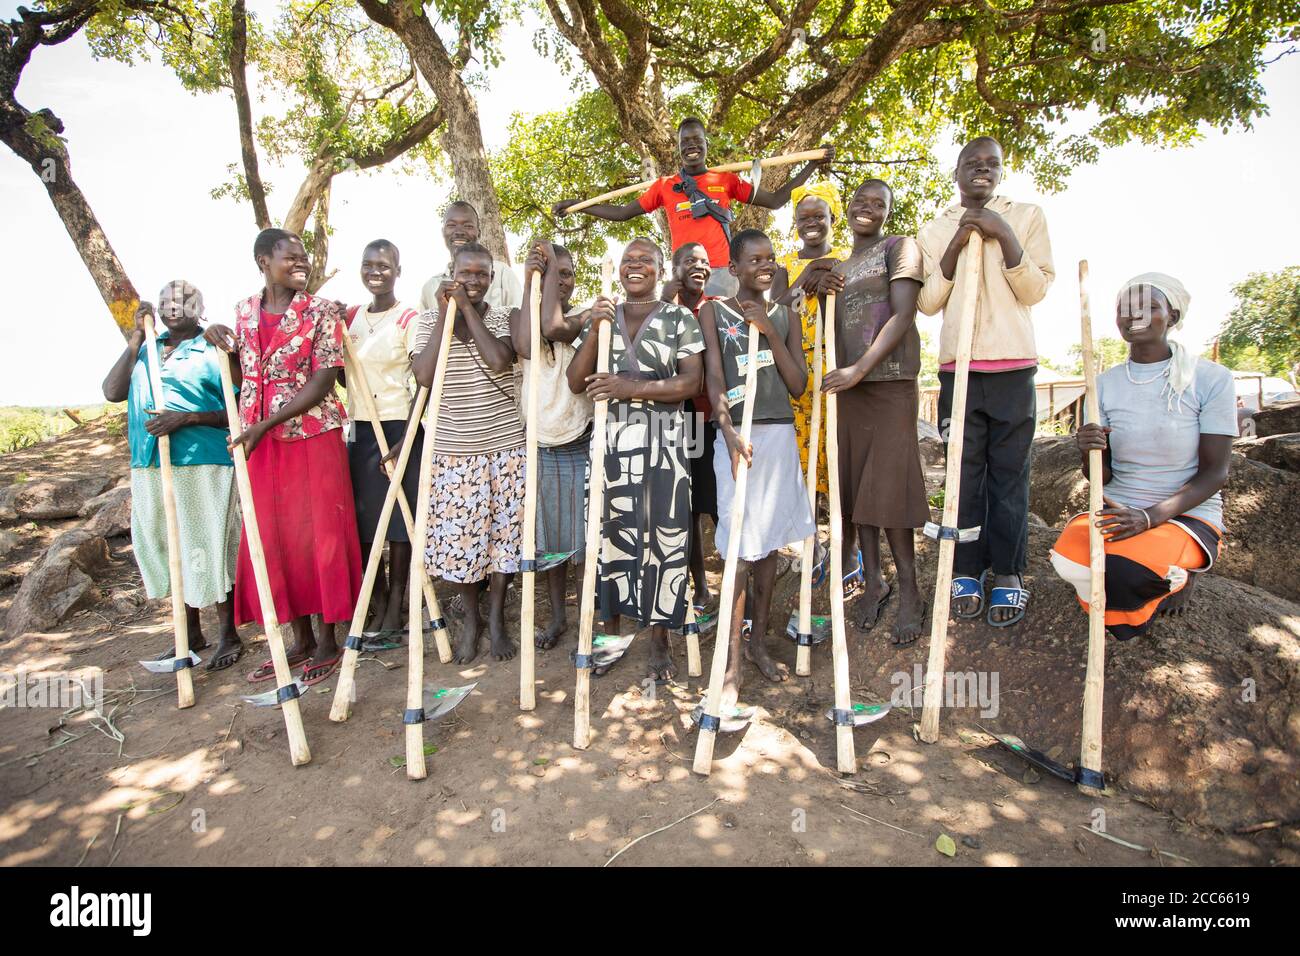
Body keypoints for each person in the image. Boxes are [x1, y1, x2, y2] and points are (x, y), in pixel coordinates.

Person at [204, 228, 363, 685]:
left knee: (320, 536)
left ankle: (329, 641)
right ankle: (300, 640)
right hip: (259, 441)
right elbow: (246, 374)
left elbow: (323, 381)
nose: (301, 263)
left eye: (304, 257)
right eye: (290, 257)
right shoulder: (242, 312)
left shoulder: (322, 312)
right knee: (274, 538)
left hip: (310, 437)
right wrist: (224, 344)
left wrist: (266, 424)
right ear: (262, 261)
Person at [917, 136, 1055, 627]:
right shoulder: (935, 228)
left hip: (1013, 366)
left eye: (991, 164)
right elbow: (928, 301)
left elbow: (1035, 288)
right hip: (960, 368)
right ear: (956, 174)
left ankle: (1010, 573)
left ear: (1001, 172)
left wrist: (1002, 234)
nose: (982, 170)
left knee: (1010, 473)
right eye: (972, 164)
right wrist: (958, 241)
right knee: (963, 473)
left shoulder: (1027, 215)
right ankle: (967, 568)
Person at [1051, 274, 1234, 639]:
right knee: (1066, 559)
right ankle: (1160, 576)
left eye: (1148, 306)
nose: (1133, 315)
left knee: (1119, 576)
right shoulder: (1101, 384)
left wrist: (1149, 517)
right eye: (1125, 308)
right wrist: (1087, 450)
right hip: (1120, 512)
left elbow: (1215, 474)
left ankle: (1180, 576)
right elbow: (1100, 478)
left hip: (1183, 516)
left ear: (1173, 315)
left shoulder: (1211, 379)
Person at [566, 237, 705, 681]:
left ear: (661, 270)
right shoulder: (603, 317)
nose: (635, 266)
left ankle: (660, 640)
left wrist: (634, 388)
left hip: (665, 445)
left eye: (646, 259)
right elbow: (574, 381)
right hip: (610, 445)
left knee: (665, 540)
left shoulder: (680, 318)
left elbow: (691, 383)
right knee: (610, 536)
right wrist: (594, 326)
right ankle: (610, 637)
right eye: (628, 260)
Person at [102, 282, 242, 670]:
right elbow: (112, 392)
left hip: (200, 461)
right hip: (149, 462)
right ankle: (190, 633)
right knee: (173, 547)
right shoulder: (147, 348)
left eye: (181, 301)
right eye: (164, 302)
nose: (171, 307)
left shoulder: (212, 349)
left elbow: (238, 408)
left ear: (200, 306)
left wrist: (187, 418)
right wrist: (134, 341)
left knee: (210, 543)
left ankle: (229, 634)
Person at [700, 229, 815, 701]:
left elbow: (798, 384)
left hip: (778, 433)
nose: (764, 266)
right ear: (734, 268)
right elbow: (713, 377)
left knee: (767, 548)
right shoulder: (714, 310)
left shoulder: (784, 315)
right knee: (739, 550)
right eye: (753, 259)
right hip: (737, 437)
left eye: (770, 259)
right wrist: (727, 433)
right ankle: (729, 660)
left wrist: (769, 330)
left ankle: (759, 644)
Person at [820, 180, 928, 645]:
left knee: (891, 489)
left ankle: (909, 591)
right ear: (846, 208)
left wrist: (859, 370)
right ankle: (873, 581)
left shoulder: (899, 248)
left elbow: (902, 315)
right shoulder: (840, 265)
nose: (868, 208)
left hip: (887, 382)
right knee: (857, 489)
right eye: (860, 201)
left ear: (887, 211)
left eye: (878, 203)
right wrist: (815, 282)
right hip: (849, 389)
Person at [553, 118, 833, 297]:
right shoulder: (665, 185)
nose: (691, 146)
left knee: (725, 341)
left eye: (696, 140)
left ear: (705, 144)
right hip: (683, 275)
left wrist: (811, 165)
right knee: (688, 348)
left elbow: (775, 201)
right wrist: (579, 207)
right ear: (678, 148)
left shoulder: (725, 180)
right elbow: (623, 214)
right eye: (684, 142)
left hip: (723, 273)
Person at [412, 241, 524, 664]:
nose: (473, 281)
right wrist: (448, 314)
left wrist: (470, 313)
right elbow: (423, 374)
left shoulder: (499, 318)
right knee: (463, 540)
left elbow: (498, 360)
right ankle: (471, 618)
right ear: (451, 273)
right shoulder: (427, 321)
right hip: (454, 451)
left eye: (481, 274)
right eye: (466, 273)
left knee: (504, 538)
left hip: (504, 446)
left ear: (492, 280)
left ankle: (496, 618)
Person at [511, 240, 593, 650]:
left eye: (568, 274)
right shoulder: (518, 315)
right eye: (553, 273)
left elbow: (559, 328)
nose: (562, 281)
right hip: (540, 445)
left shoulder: (588, 320)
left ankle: (584, 619)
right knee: (551, 541)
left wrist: (579, 317)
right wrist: (532, 282)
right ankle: (558, 616)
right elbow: (529, 343)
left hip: (580, 441)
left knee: (583, 538)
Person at [341, 240, 423, 648]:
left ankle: (395, 609)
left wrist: (407, 434)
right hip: (358, 429)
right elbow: (341, 376)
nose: (376, 271)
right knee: (362, 523)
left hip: (397, 428)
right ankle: (373, 602)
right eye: (368, 264)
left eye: (384, 265)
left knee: (399, 523)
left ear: (397, 270)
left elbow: (423, 379)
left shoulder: (409, 318)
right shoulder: (349, 318)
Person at [770, 180, 849, 588]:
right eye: (804, 218)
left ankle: (845, 549)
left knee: (835, 460)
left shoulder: (848, 259)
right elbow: (775, 313)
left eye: (819, 216)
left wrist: (829, 275)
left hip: (837, 374)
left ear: (833, 218)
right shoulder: (786, 263)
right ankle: (811, 545)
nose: (811, 223)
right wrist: (807, 276)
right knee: (803, 466)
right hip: (797, 377)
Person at [661, 242, 719, 620]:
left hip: (711, 419)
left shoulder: (716, 308)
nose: (698, 267)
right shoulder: (661, 309)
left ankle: (733, 585)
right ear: (674, 268)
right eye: (689, 262)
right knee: (688, 508)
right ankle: (700, 586)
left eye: (704, 261)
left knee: (718, 504)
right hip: (677, 422)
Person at [419, 200, 523, 314]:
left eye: (468, 226)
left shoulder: (502, 273)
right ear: (443, 232)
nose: (459, 232)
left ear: (479, 233)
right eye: (451, 225)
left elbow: (521, 321)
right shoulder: (430, 288)